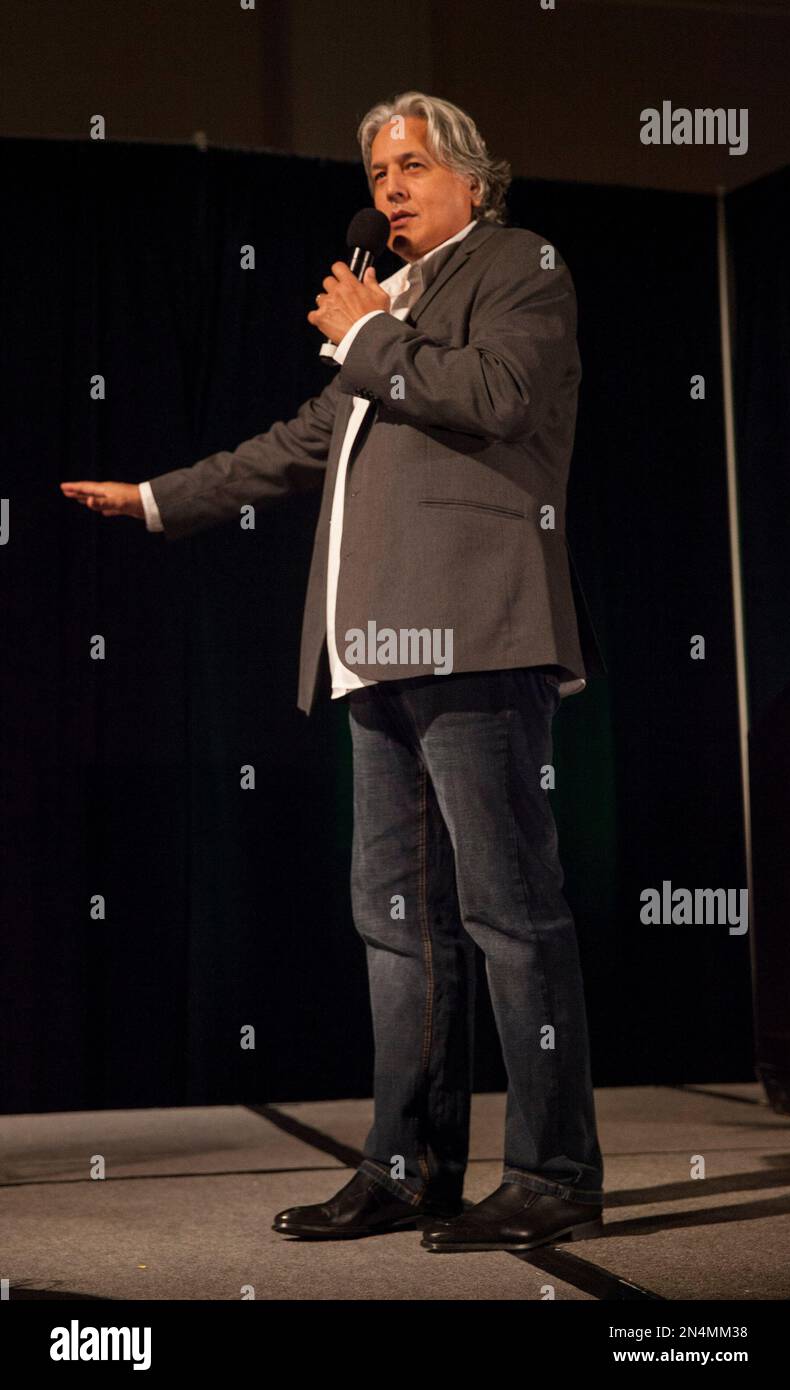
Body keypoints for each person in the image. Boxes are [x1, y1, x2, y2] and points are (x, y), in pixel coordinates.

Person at [60, 90, 605, 1254]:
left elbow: (501, 396)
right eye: (377, 172)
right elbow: (301, 443)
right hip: (374, 651)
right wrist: (157, 497)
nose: (389, 189)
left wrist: (370, 338)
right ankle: (409, 1168)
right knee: (397, 924)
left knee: (509, 911)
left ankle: (554, 1169)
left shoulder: (520, 265)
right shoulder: (390, 306)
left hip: (475, 633)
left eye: (412, 166)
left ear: (474, 180)